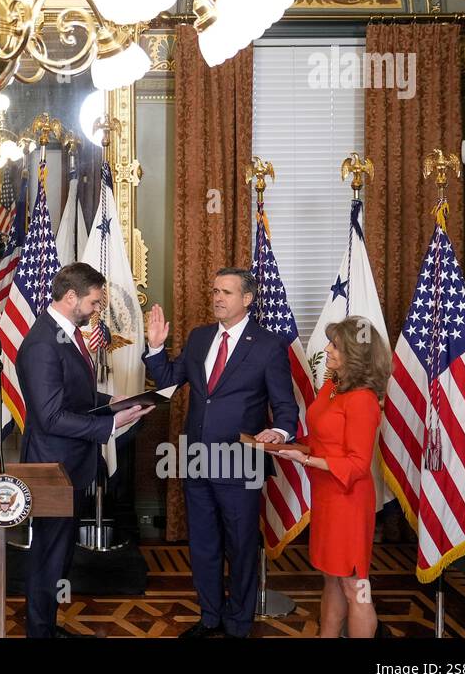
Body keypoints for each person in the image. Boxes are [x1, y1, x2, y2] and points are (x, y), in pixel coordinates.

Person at [143, 267, 298, 638]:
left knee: (241, 546)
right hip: (197, 459)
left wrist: (277, 431)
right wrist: (154, 347)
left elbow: (286, 406)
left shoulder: (268, 345)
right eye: (214, 291)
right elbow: (167, 381)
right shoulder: (199, 338)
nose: (217, 298)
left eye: (226, 292)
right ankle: (210, 616)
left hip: (241, 461)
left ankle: (239, 623)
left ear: (247, 299)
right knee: (204, 545)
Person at [17, 262, 153, 638]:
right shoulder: (43, 343)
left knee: (60, 553)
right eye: (93, 303)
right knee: (48, 555)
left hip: (72, 465)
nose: (97, 310)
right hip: (52, 469)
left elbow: (75, 397)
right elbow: (50, 417)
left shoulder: (65, 334)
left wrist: (115, 402)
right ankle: (39, 632)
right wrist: (110, 425)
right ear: (72, 297)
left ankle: (47, 627)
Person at [275, 316, 389, 638]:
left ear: (355, 353)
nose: (327, 349)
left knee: (356, 585)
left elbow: (356, 464)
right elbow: (322, 439)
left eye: (335, 345)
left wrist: (307, 458)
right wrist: (287, 446)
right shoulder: (332, 387)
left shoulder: (363, 399)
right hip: (326, 496)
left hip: (349, 501)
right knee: (331, 576)